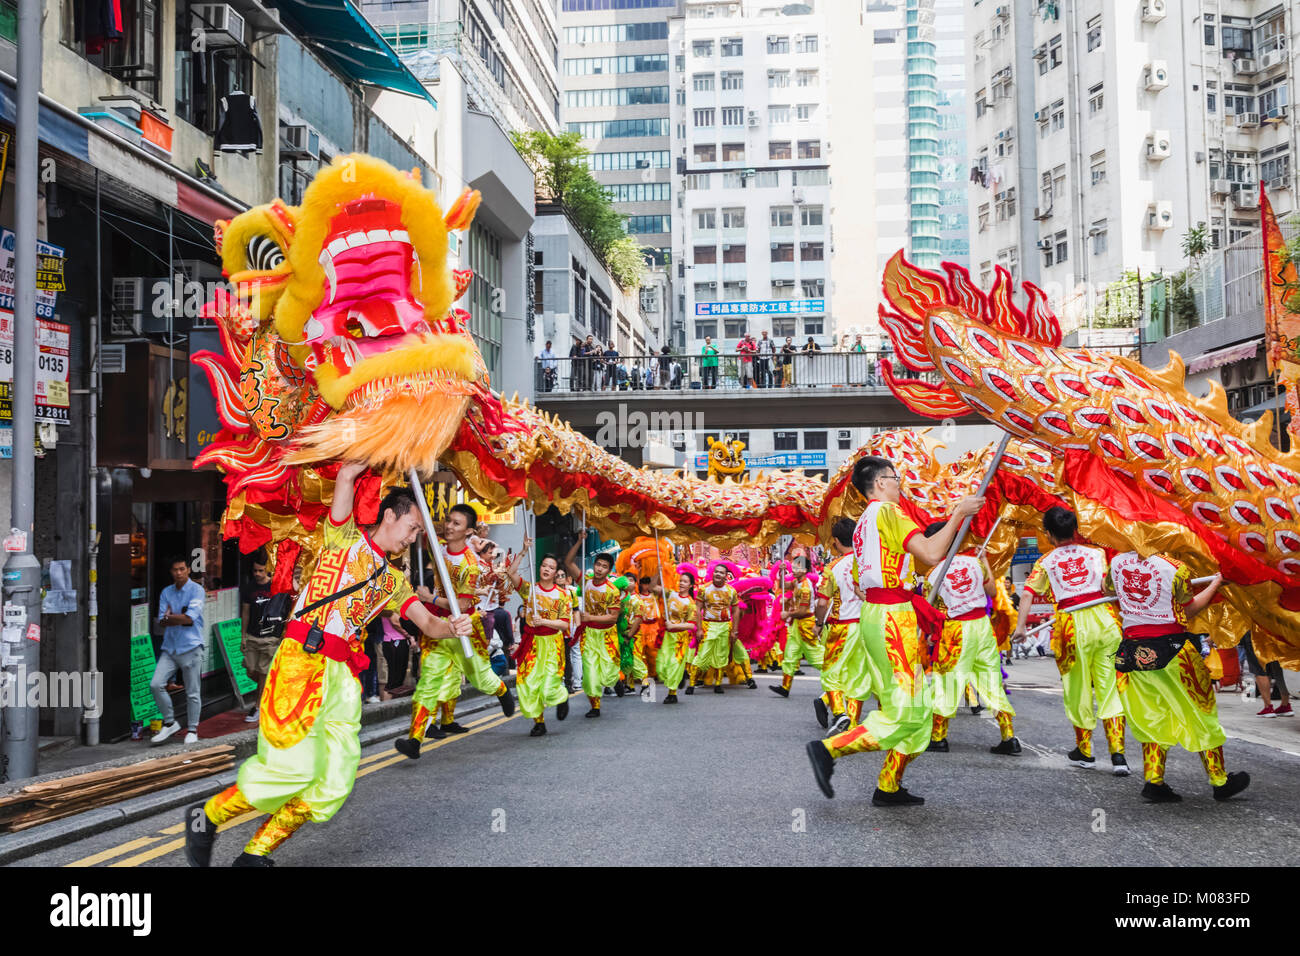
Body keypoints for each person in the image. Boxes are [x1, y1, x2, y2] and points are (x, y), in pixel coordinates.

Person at [188, 464, 473, 866]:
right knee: (293, 768)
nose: (413, 537)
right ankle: (207, 816)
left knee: (335, 778)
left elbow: (428, 623)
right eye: (411, 526)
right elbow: (345, 479)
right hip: (301, 661)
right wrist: (372, 444)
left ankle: (256, 853)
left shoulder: (394, 581)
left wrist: (453, 625)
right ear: (389, 515)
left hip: (341, 677)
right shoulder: (344, 539)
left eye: (416, 533)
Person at [805, 455, 983, 807]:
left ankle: (889, 785)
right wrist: (959, 513)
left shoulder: (863, 524)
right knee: (907, 710)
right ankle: (829, 749)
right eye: (896, 478)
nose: (901, 484)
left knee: (912, 708)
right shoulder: (887, 513)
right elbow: (932, 553)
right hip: (891, 618)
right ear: (881, 482)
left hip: (879, 612)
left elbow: (859, 583)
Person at [1108, 552, 1249, 802]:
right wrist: (1216, 583)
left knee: (1152, 715)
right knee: (1200, 711)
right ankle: (1219, 780)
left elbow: (1105, 588)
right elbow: (1189, 609)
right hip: (1172, 652)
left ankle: (1154, 780)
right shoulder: (1175, 567)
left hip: (1132, 653)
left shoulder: (1117, 562)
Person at [1013, 506, 1129, 776]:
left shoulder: (1046, 561)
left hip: (1071, 626)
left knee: (1077, 689)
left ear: (1050, 533)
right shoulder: (1097, 554)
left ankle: (1085, 751)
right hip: (1105, 621)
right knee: (1109, 687)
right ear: (1075, 529)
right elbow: (1107, 587)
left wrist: (1020, 628)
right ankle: (1118, 755)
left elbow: (1028, 594)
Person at [395, 504, 516, 756]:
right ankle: (415, 739)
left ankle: (502, 691)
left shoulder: (470, 565)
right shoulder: (437, 549)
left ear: (469, 531)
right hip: (435, 626)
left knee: (479, 678)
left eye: (457, 524)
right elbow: (425, 528)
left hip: (463, 626)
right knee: (428, 682)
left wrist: (427, 598)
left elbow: (461, 605)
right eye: (448, 521)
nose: (449, 526)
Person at [923, 524, 1020, 756]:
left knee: (947, 681)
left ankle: (938, 737)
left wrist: (928, 636)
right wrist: (984, 559)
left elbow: (932, 608)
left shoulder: (932, 574)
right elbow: (993, 593)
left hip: (956, 630)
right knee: (991, 680)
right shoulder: (975, 563)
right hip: (982, 627)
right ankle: (1009, 737)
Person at [506, 543, 572, 736]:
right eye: (544, 565)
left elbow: (564, 624)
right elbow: (511, 573)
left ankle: (561, 696)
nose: (546, 569)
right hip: (532, 643)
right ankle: (539, 722)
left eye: (551, 568)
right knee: (529, 683)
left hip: (552, 643)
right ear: (540, 567)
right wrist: (524, 551)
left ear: (555, 573)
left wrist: (543, 620)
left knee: (549, 682)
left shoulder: (563, 595)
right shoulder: (529, 590)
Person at [813, 519, 872, 736]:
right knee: (858, 676)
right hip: (868, 627)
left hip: (842, 627)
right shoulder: (871, 562)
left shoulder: (833, 567)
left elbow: (821, 602)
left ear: (836, 541)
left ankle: (840, 714)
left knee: (831, 673)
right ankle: (853, 723)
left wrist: (818, 624)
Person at [151, 557, 207, 745]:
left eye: (182, 569)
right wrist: (175, 618)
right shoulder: (166, 592)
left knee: (192, 691)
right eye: (175, 569)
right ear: (171, 572)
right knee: (156, 684)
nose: (179, 573)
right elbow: (161, 621)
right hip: (170, 647)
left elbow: (189, 619)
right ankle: (170, 722)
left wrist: (171, 617)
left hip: (191, 646)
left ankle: (192, 729)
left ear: (188, 570)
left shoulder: (197, 590)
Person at [565, 542, 623, 716]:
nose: (599, 569)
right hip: (589, 634)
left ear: (609, 570)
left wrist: (591, 617)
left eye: (604, 567)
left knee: (607, 673)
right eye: (598, 564)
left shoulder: (612, 591)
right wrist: (579, 541)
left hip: (607, 635)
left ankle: (616, 679)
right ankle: (595, 706)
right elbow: (568, 563)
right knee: (590, 671)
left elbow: (613, 617)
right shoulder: (585, 582)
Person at [770, 555, 822, 699]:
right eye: (793, 566)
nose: (794, 569)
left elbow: (803, 611)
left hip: (806, 625)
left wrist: (787, 614)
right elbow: (782, 585)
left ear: (805, 569)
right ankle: (785, 687)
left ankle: (836, 678)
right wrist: (781, 572)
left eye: (797, 567)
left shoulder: (805, 588)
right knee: (790, 656)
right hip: (796, 625)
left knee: (816, 658)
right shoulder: (797, 582)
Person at [691, 563, 739, 694]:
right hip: (708, 625)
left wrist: (734, 630)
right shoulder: (704, 589)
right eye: (716, 572)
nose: (718, 574)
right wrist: (699, 629)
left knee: (721, 655)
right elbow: (698, 608)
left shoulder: (731, 591)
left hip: (724, 626)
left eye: (721, 573)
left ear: (726, 576)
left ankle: (718, 684)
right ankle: (691, 683)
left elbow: (736, 610)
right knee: (702, 655)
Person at [239, 554, 274, 724]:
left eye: (261, 570)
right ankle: (269, 690)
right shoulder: (248, 588)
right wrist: (243, 636)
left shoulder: (275, 586)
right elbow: (245, 612)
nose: (258, 574)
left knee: (262, 672)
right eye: (255, 571)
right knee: (250, 670)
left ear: (267, 569)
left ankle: (258, 706)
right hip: (252, 634)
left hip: (270, 636)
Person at [659, 571, 700, 704]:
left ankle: (672, 693)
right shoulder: (670, 594)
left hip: (680, 639)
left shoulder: (691, 604)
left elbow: (691, 625)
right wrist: (658, 568)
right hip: (667, 636)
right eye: (680, 580)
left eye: (685, 581)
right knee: (662, 666)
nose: (681, 583)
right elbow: (654, 587)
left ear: (690, 585)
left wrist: (674, 626)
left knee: (674, 664)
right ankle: (680, 675)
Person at [1240, 631, 1293, 717]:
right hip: (1275, 631)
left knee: (1259, 669)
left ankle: (1268, 707)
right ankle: (1285, 704)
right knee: (1278, 668)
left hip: (1255, 632)